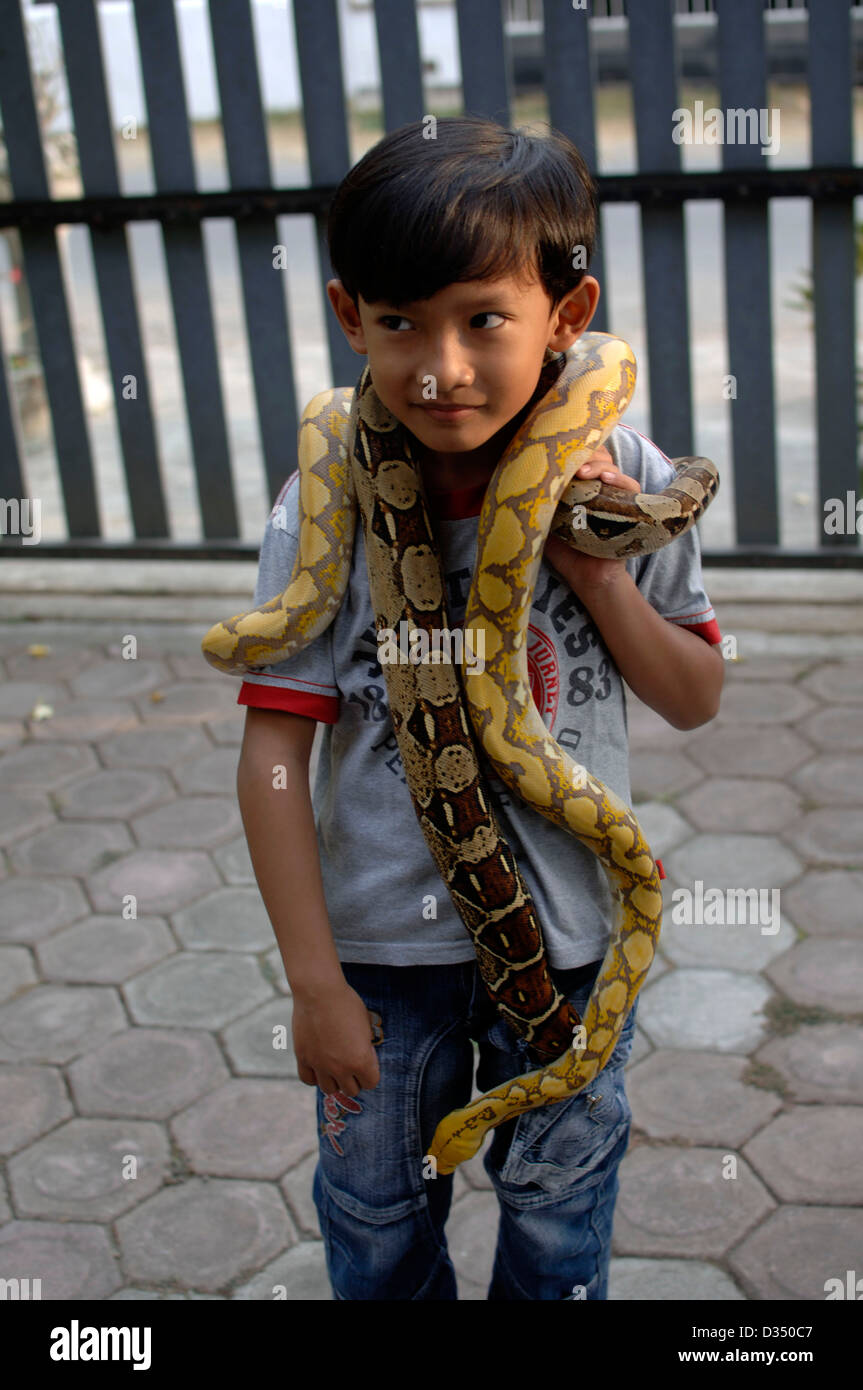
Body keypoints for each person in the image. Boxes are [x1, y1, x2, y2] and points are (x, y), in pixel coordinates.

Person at [233, 115, 724, 1300]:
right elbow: (272, 752)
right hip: (378, 963)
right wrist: (312, 980)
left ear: (567, 316)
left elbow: (694, 696)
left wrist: (597, 564)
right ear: (349, 316)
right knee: (374, 1205)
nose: (439, 368)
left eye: (481, 320)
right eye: (398, 322)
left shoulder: (628, 478)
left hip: (568, 950)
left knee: (560, 1209)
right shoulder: (331, 495)